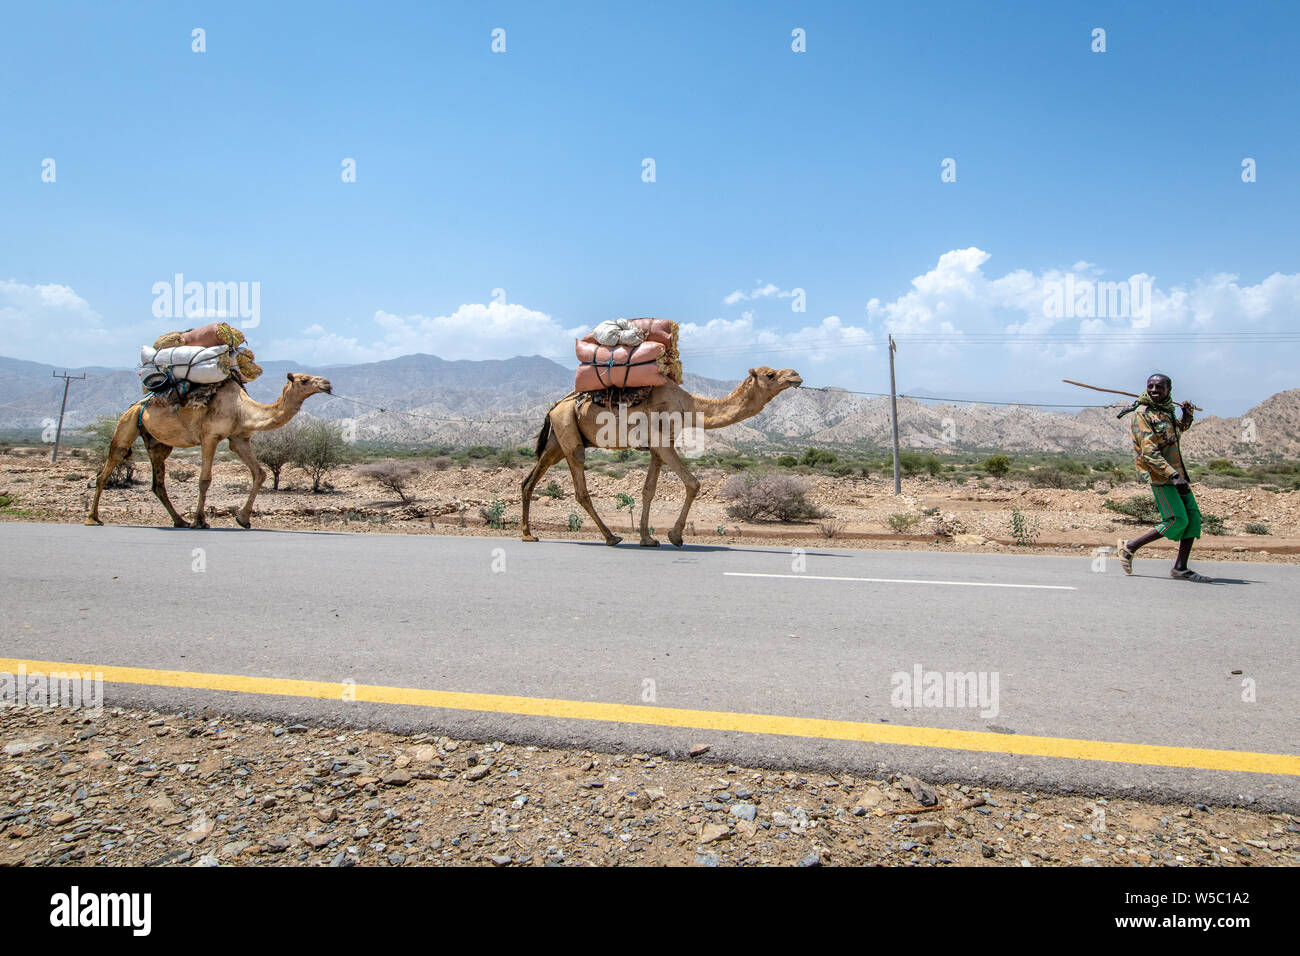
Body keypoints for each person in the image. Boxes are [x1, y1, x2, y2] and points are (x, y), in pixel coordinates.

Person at [1116, 373, 1211, 581]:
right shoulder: (1142, 415)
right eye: (1150, 386)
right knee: (1177, 520)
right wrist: (1173, 475)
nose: (1154, 390)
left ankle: (1180, 568)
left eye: (1159, 387)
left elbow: (1175, 434)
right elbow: (1149, 452)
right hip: (1162, 476)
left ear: (1169, 390)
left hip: (1178, 475)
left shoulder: (1166, 412)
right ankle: (1130, 546)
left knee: (1193, 519)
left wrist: (1187, 417)